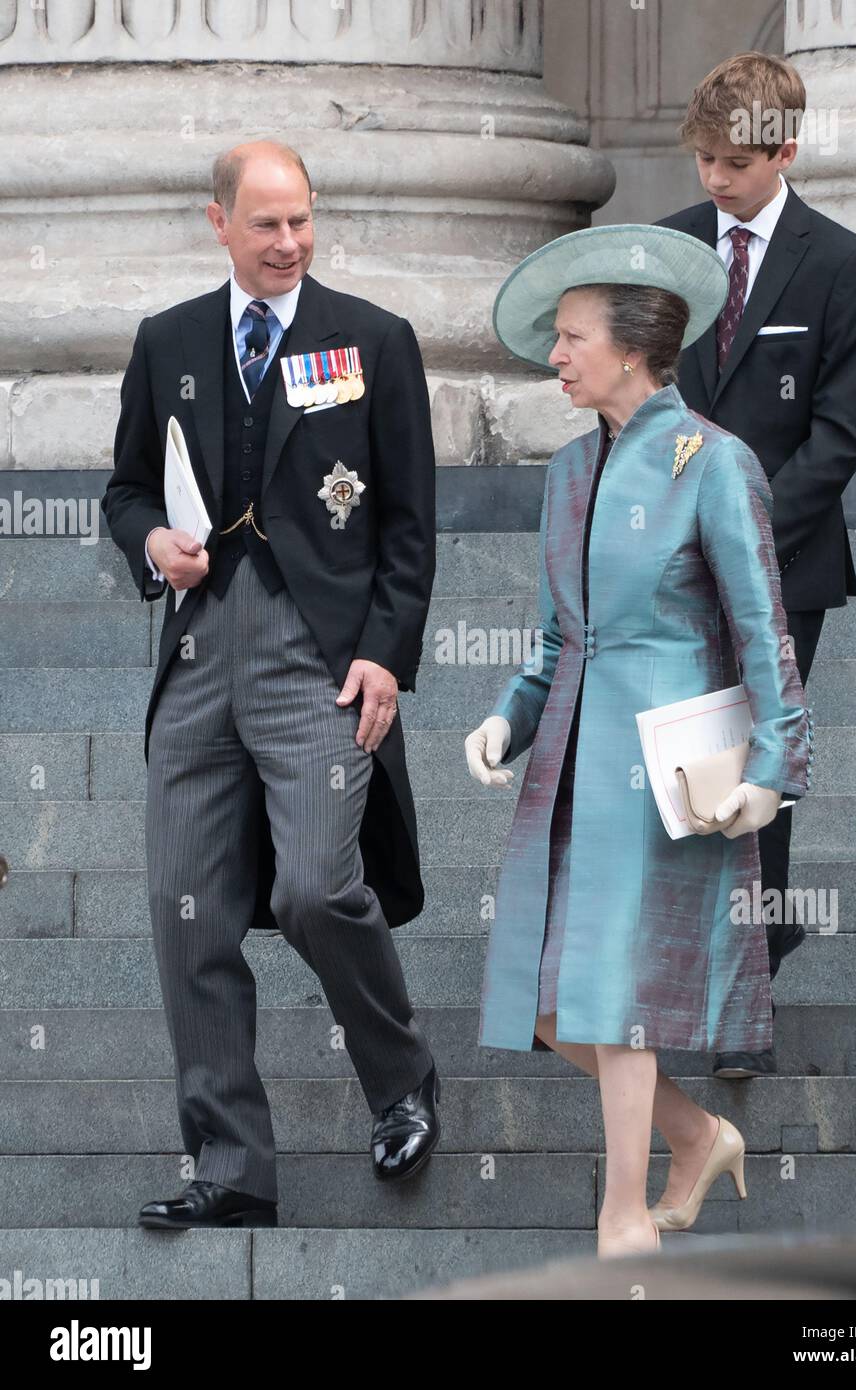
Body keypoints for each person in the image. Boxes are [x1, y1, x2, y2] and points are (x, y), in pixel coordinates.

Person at [101, 140, 440, 1230]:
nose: (290, 242)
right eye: (266, 225)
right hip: (198, 656)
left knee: (310, 889)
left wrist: (386, 650)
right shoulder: (169, 343)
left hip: (319, 655)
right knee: (182, 909)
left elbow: (407, 524)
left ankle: (400, 1082)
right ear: (219, 224)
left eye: (303, 221)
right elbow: (121, 488)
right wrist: (151, 536)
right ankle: (233, 1167)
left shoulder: (375, 342)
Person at [465, 224, 813, 1257]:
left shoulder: (715, 461)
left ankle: (622, 1213)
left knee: (614, 998)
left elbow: (764, 632)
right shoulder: (568, 471)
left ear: (629, 348)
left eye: (570, 338)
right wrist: (507, 717)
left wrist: (772, 769)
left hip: (668, 767)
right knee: (544, 1000)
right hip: (571, 758)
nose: (556, 356)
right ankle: (697, 1134)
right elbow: (552, 638)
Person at [657, 52, 856, 1079]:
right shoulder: (661, 249)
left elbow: (836, 440)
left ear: (784, 151)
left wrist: (736, 534)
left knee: (760, 771)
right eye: (703, 158)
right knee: (677, 760)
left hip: (783, 562)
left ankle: (747, 989)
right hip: (662, 558)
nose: (713, 179)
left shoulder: (841, 264)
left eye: (733, 163)